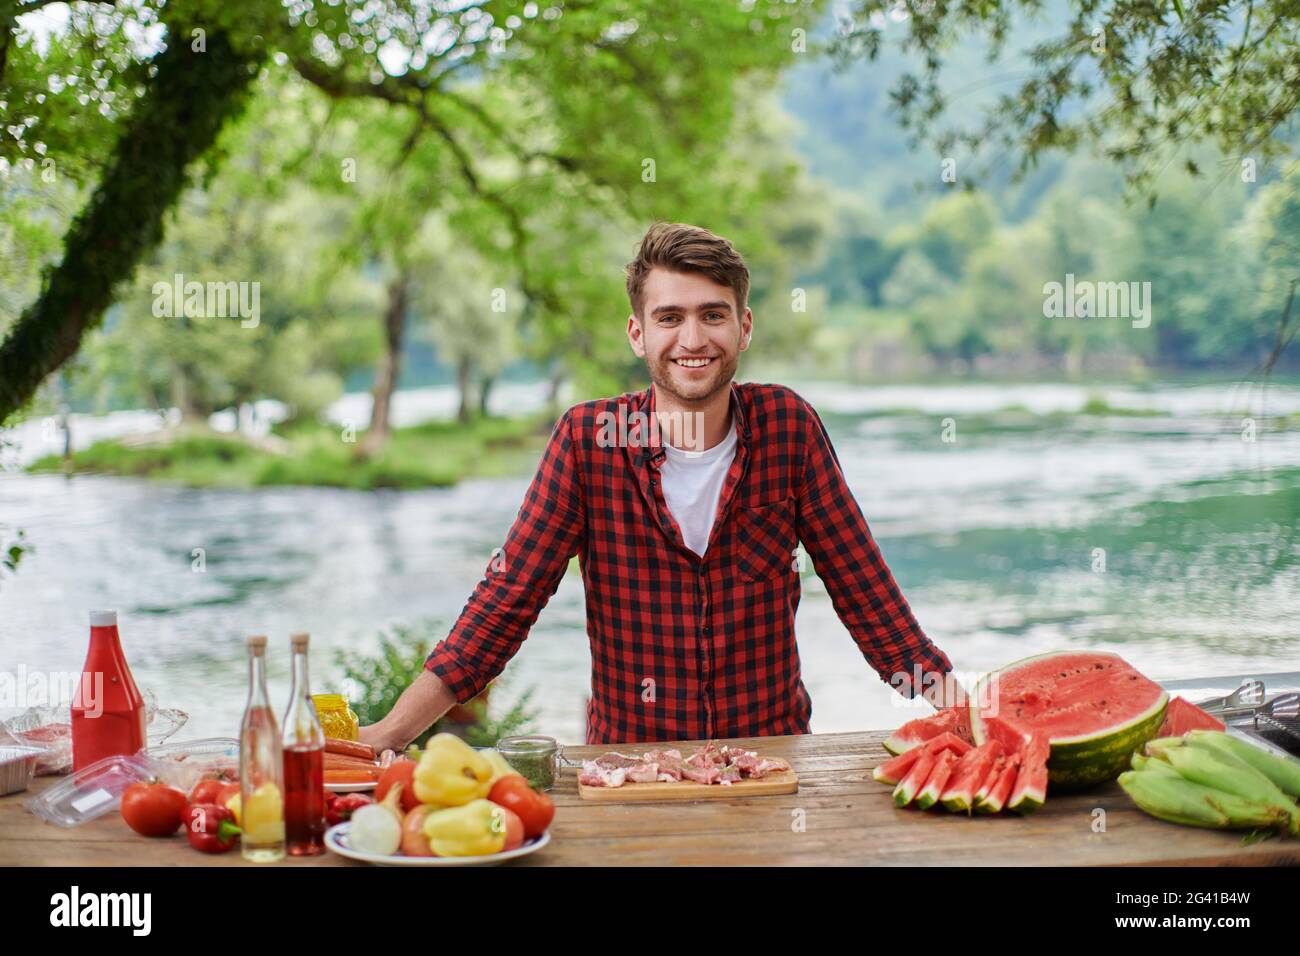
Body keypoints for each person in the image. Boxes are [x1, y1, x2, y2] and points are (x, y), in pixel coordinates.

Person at [360, 222, 961, 749]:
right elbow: (504, 604)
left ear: (744, 326)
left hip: (772, 767)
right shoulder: (587, 441)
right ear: (637, 334)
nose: (693, 340)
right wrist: (390, 733)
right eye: (669, 317)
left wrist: (964, 710)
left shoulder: (788, 427)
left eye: (713, 315)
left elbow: (867, 595)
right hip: (630, 773)